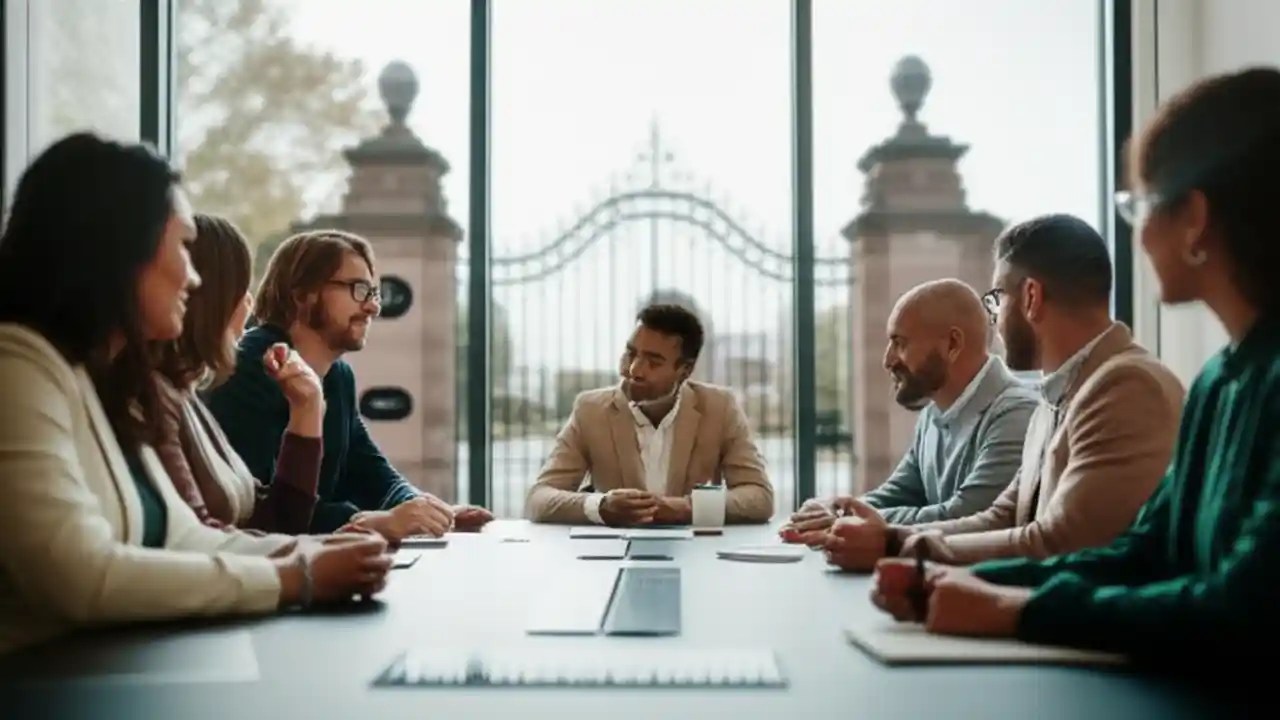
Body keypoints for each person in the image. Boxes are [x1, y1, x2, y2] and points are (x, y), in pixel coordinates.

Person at [870, 67, 1280, 666]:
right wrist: (946, 574)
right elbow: (1149, 551)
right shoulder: (1221, 380)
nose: (1137, 236)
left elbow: (1244, 608)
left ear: (1194, 220)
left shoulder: (1144, 384)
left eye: (1141, 205)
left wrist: (1019, 609)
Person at [0, 133, 389, 654]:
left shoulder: (91, 377)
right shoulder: (16, 365)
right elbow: (78, 576)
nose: (194, 276)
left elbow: (186, 536)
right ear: (120, 247)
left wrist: (312, 556)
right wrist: (298, 576)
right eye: (184, 247)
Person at [825, 214, 1183, 571]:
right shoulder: (1053, 397)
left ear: (1031, 296)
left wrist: (893, 545)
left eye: (997, 297)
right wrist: (892, 537)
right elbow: (1002, 517)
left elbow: (1057, 543)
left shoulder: (1127, 387)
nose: (992, 319)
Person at [205, 229, 492, 538]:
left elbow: (367, 467)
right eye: (358, 289)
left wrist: (423, 509)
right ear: (302, 293)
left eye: (373, 293)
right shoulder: (248, 368)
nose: (373, 307)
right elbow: (262, 514)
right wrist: (374, 521)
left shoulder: (339, 375)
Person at [782, 279, 1035, 539]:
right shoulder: (932, 414)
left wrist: (848, 516)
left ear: (952, 344)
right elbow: (899, 493)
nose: (888, 360)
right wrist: (836, 507)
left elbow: (969, 516)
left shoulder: (1016, 414)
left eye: (900, 343)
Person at [152, 214, 325, 533]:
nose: (249, 305)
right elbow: (207, 538)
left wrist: (307, 410)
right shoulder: (159, 401)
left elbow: (275, 519)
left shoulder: (187, 400)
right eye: (241, 290)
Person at [526, 304, 774, 525]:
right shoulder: (590, 409)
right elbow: (540, 498)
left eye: (653, 362)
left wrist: (686, 508)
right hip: (612, 553)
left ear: (685, 370)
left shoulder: (719, 407)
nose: (634, 370)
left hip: (696, 554)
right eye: (631, 354)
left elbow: (759, 497)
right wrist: (600, 507)